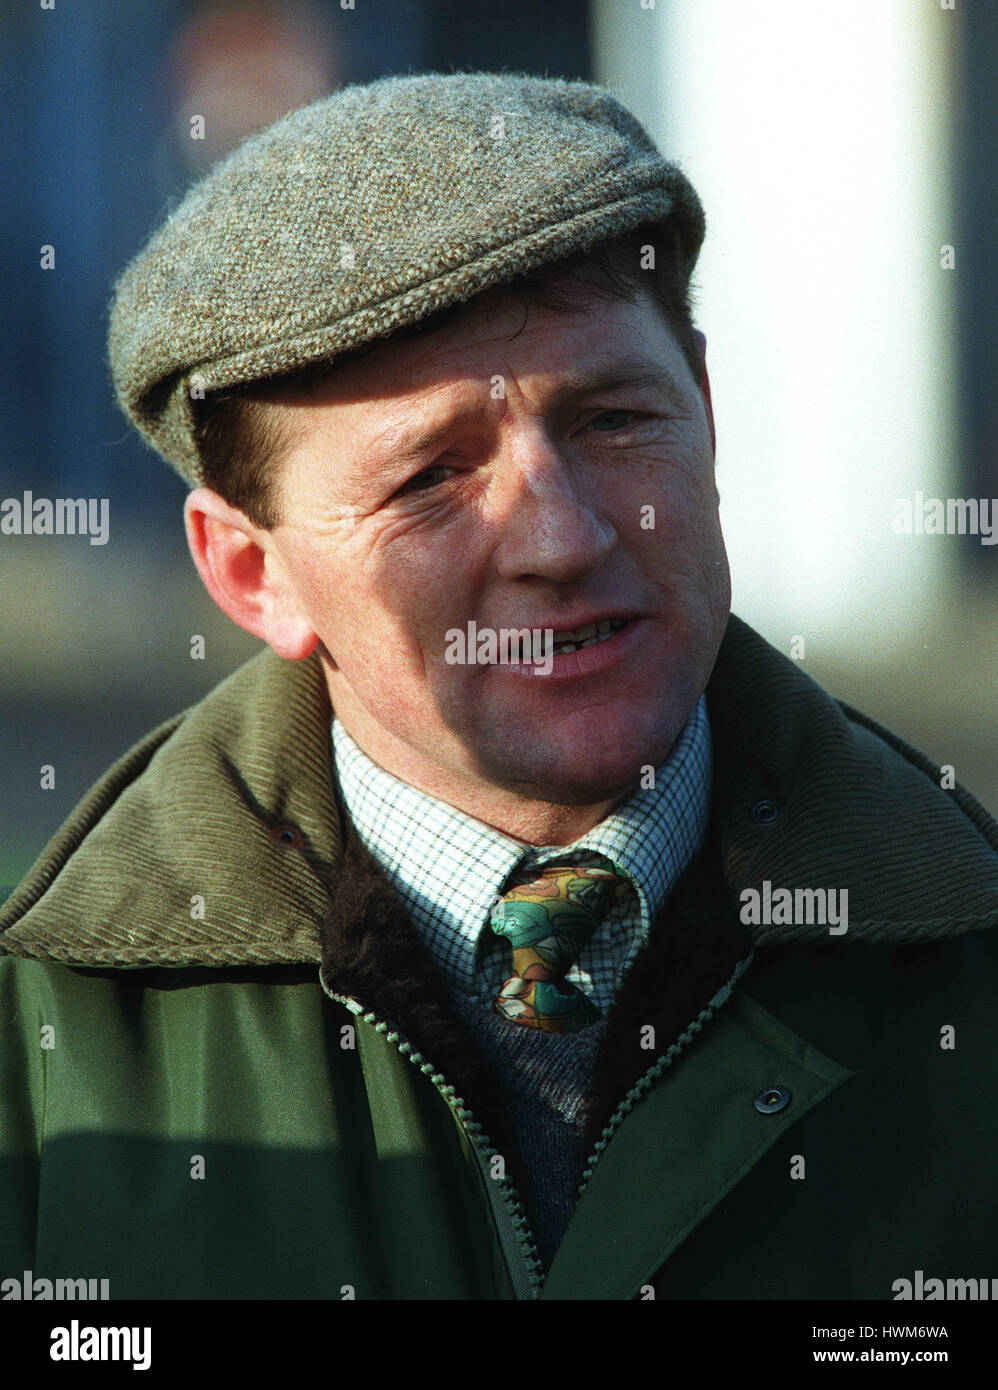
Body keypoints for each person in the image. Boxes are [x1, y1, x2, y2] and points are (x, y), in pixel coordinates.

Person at [1, 71, 996, 1303]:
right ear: (255, 577)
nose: (565, 538)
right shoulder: (42, 1052)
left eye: (615, 421)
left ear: (709, 417)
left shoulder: (963, 967)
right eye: (429, 478)